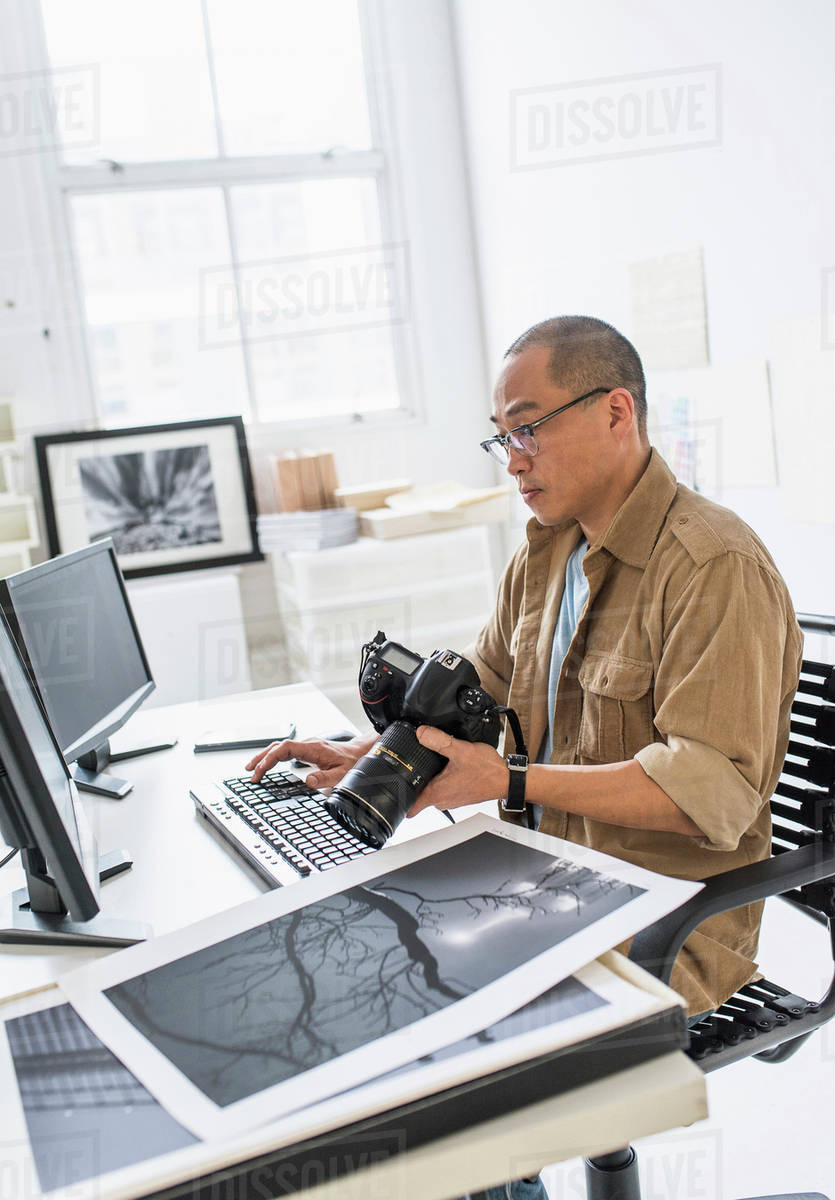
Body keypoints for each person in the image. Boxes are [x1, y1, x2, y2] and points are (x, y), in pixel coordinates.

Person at [248, 315, 802, 1200]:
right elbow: (486, 699)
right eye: (502, 434)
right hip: (542, 885)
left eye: (528, 426)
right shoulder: (544, 558)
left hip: (673, 925)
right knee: (343, 957)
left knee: (411, 1037)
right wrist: (372, 754)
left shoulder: (712, 565)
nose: (511, 457)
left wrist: (504, 781)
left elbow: (714, 792)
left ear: (616, 411)